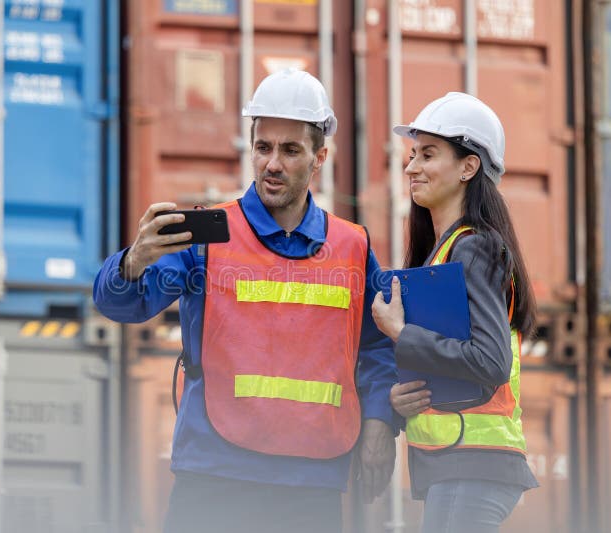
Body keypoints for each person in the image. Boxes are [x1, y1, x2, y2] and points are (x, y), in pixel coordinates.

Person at [94, 68, 399, 533]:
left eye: (290, 150)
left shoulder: (352, 247)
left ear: (320, 157)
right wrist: (133, 261)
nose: (272, 163)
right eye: (263, 147)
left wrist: (379, 421)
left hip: (312, 479)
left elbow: (378, 346)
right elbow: (123, 306)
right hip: (214, 473)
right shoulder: (207, 236)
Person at [371, 92, 539, 533]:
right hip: (457, 466)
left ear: (469, 167)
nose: (411, 167)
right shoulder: (441, 254)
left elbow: (490, 361)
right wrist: (401, 397)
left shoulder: (474, 246)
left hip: (476, 466)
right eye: (412, 155)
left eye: (428, 154)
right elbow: (455, 361)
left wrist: (401, 333)